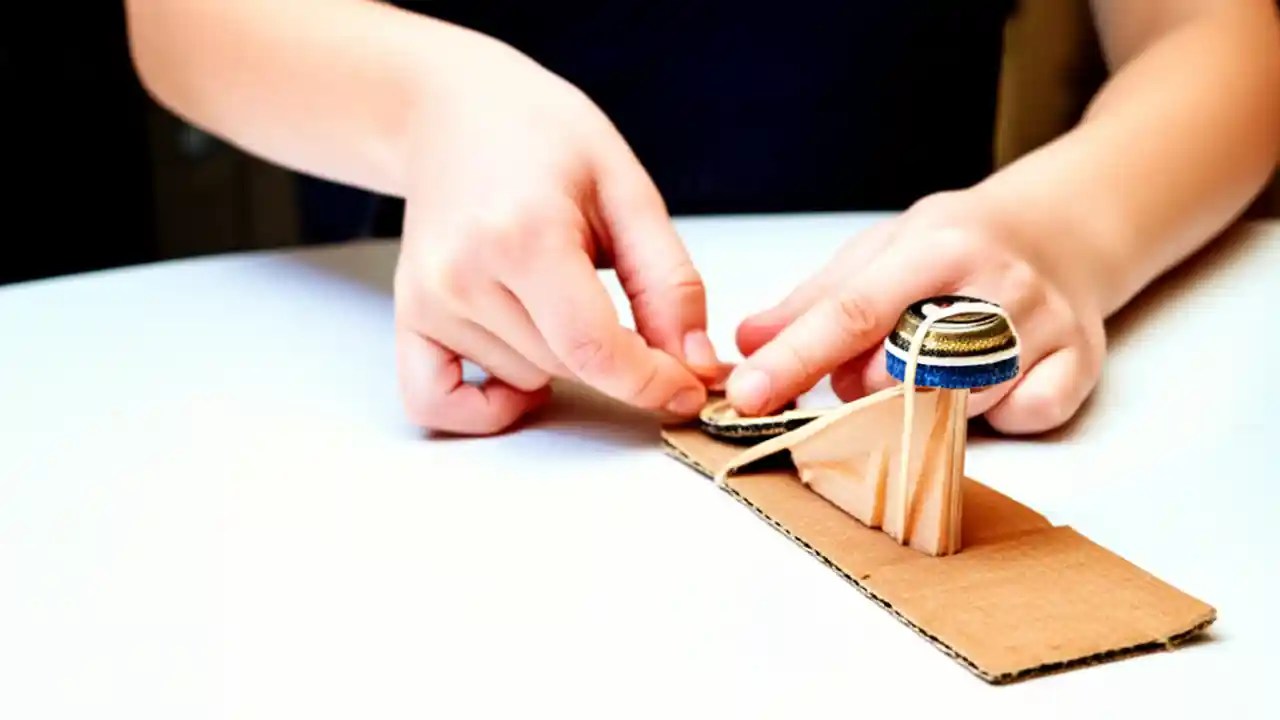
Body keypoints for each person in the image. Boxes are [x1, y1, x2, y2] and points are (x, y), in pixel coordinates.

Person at [124, 1, 1280, 436]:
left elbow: (1222, 36)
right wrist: (428, 104)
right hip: (461, 399)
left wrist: (1070, 229)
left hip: (885, 382)